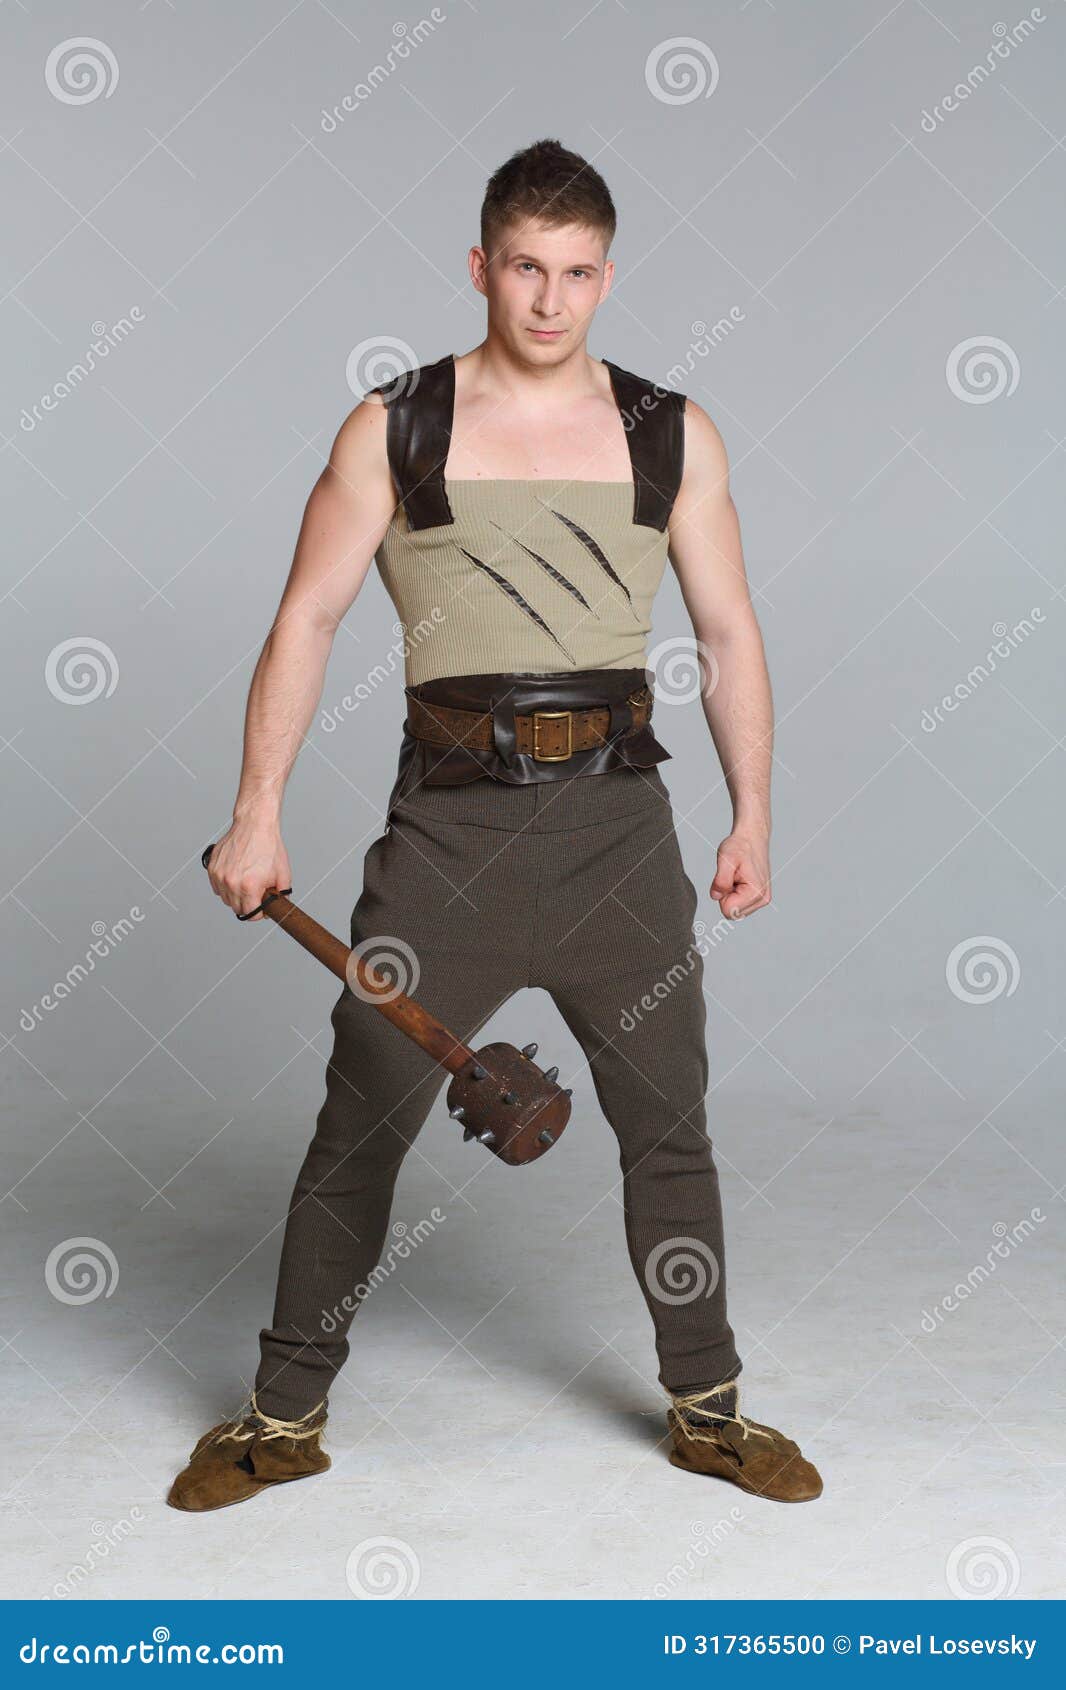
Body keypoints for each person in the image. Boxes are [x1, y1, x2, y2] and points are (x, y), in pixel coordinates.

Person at [168, 138, 822, 1513]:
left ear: (604, 277)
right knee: (361, 1120)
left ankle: (708, 1408)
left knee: (669, 1124)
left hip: (617, 841)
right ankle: (280, 1419)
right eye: (524, 267)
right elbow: (306, 615)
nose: (547, 299)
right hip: (447, 844)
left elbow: (724, 627)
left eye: (576, 273)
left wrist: (754, 807)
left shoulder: (667, 428)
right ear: (481, 266)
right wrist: (256, 810)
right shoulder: (395, 423)